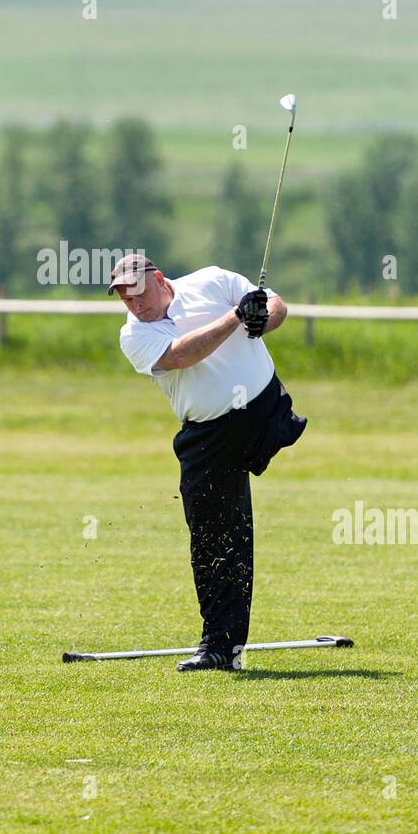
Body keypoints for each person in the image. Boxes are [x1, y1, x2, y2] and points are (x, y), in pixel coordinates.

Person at [109, 254, 306, 672]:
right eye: (127, 301)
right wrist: (237, 317)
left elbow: (277, 304)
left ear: (159, 279)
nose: (136, 306)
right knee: (216, 539)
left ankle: (222, 643)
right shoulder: (135, 336)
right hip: (210, 437)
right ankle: (222, 646)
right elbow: (182, 355)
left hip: (264, 413)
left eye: (139, 294)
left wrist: (261, 319)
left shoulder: (213, 280)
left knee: (225, 530)